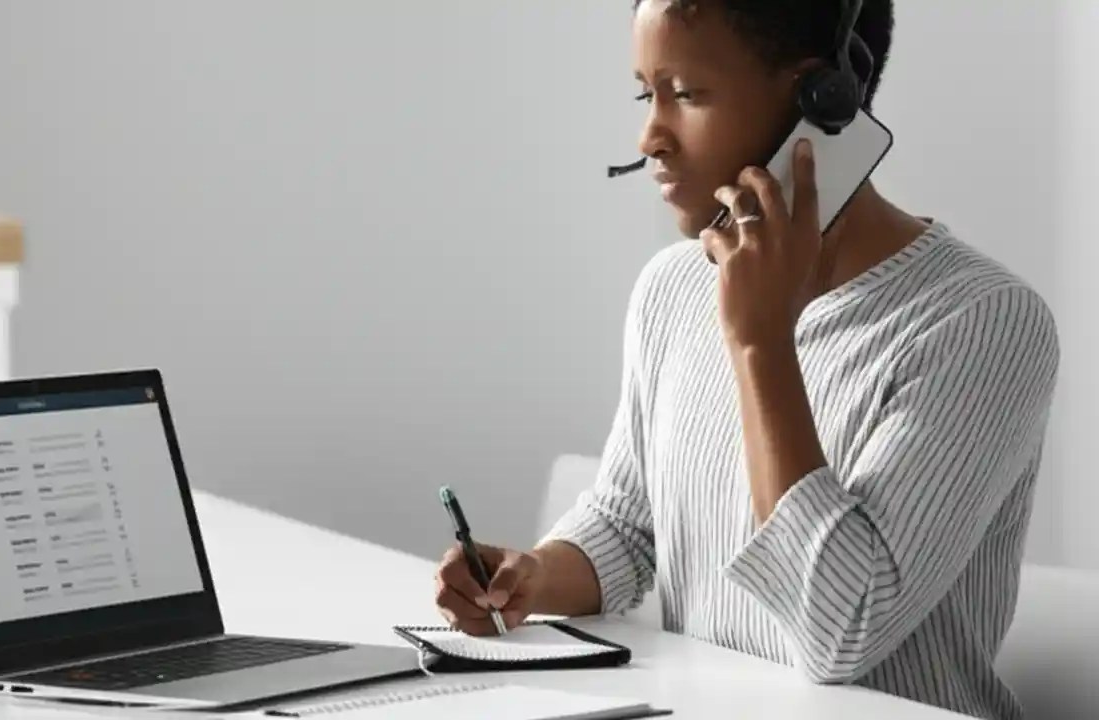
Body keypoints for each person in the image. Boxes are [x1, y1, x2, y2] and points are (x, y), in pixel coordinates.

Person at [432, 2, 1059, 719]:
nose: (650, 137)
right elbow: (628, 527)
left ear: (823, 101)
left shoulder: (980, 322)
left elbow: (840, 627)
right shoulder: (673, 288)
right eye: (646, 95)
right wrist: (534, 576)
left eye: (685, 94)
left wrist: (761, 342)